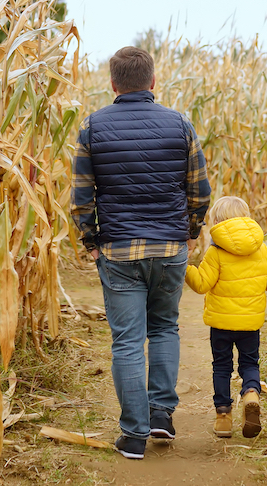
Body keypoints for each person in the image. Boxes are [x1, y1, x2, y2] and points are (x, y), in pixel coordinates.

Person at [71, 46, 211, 460]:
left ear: (113, 84)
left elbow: (81, 197)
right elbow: (199, 190)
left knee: (127, 342)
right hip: (169, 248)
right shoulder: (179, 124)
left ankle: (133, 436)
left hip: (118, 252)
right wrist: (189, 231)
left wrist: (91, 240)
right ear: (152, 82)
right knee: (165, 327)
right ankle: (161, 416)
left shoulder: (92, 127)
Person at [184, 195, 267, 439]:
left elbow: (202, 284)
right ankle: (251, 393)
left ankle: (223, 418)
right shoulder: (261, 248)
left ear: (218, 222)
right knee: (249, 364)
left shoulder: (216, 251)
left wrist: (185, 268)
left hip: (221, 324)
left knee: (221, 366)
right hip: (250, 324)